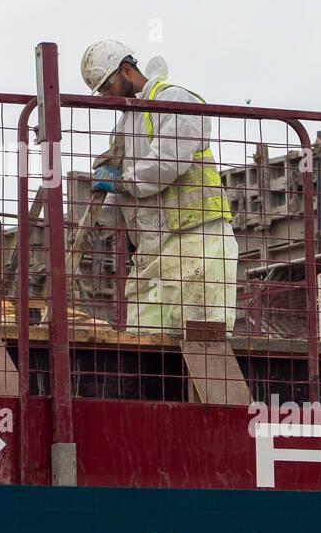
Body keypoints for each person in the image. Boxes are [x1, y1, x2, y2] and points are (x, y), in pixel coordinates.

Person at [80, 39, 238, 335]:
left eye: (106, 87)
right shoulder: (125, 126)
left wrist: (122, 181)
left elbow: (169, 163)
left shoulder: (174, 99)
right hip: (152, 250)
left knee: (201, 341)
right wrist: (103, 208)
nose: (105, 97)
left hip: (197, 238)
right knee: (143, 342)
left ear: (126, 70)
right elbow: (124, 196)